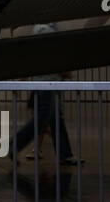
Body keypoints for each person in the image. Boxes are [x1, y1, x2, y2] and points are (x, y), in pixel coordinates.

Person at [13, 24, 80, 165]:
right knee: (41, 121)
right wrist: (63, 69)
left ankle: (65, 154)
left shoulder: (48, 27)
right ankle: (15, 145)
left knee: (56, 121)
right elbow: (50, 53)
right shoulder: (44, 29)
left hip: (50, 83)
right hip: (46, 84)